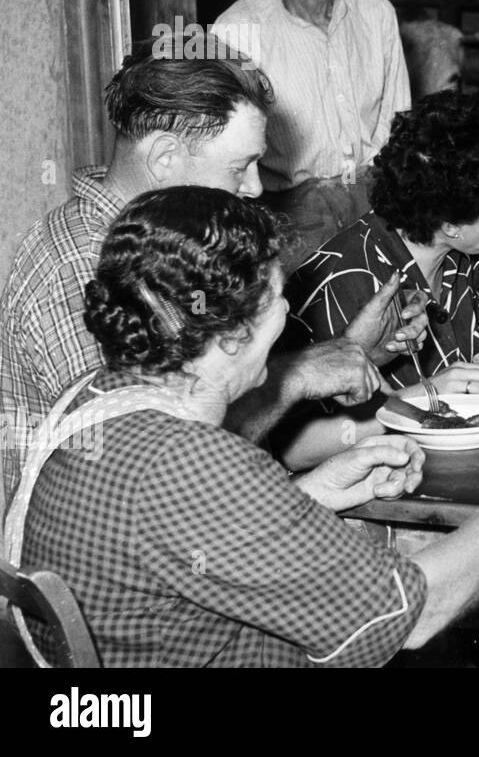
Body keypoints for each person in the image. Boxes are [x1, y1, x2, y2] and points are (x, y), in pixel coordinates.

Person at [5, 188, 479, 668]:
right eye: (275, 300)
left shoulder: (94, 400)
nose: (287, 316)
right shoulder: (191, 460)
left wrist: (313, 491)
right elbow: (415, 613)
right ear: (230, 332)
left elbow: (178, 548)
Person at [0, 55, 420, 512]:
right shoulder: (85, 264)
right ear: (164, 157)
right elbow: (153, 474)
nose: (255, 187)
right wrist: (297, 375)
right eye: (240, 166)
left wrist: (350, 351)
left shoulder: (162, 247)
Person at [275, 90, 479, 468]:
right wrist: (422, 398)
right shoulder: (347, 282)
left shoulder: (453, 256)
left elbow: (461, 357)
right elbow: (293, 449)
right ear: (451, 225)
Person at [212, 0, 411, 261]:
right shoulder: (237, 30)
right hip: (286, 215)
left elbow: (399, 120)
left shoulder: (376, 13)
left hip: (375, 203)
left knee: (389, 315)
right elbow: (227, 149)